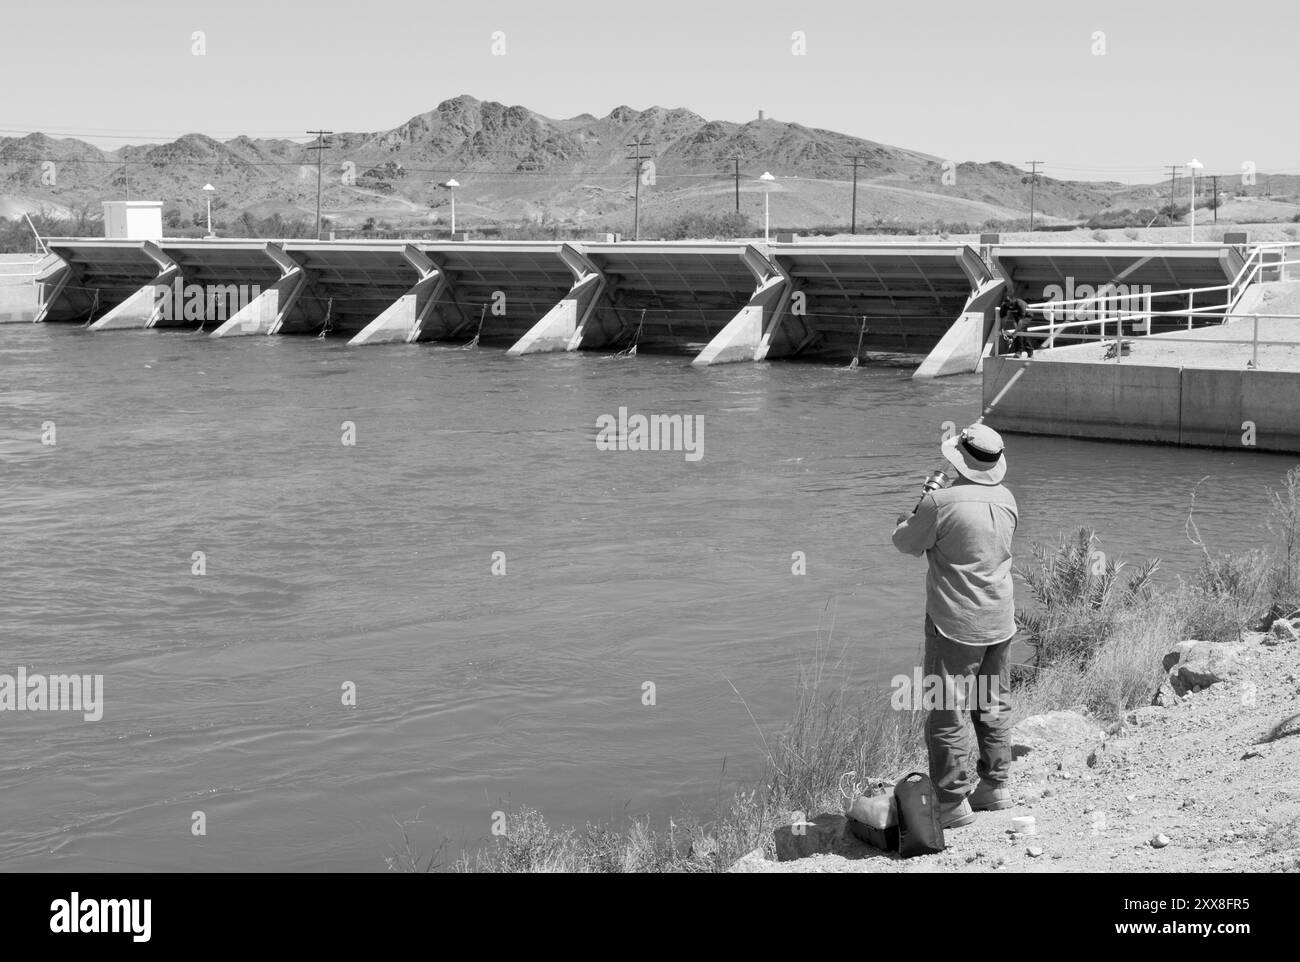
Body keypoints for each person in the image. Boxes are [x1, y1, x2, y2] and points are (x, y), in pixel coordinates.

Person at [891, 423, 1019, 829]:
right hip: (1000, 620)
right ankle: (995, 785)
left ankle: (951, 801)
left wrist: (916, 507)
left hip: (955, 624)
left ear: (958, 459)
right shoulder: (1007, 499)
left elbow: (906, 543)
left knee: (947, 711)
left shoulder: (939, 503)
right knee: (992, 704)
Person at [998, 292, 1035, 358]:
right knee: (1022, 333)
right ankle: (1029, 352)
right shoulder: (1005, 305)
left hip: (1026, 316)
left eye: (1008, 301)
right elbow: (1003, 318)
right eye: (1005, 301)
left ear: (1013, 299)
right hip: (1017, 316)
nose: (1007, 303)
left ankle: (1020, 352)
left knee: (1019, 332)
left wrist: (1015, 333)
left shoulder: (1020, 304)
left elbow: (1021, 321)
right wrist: (1002, 329)